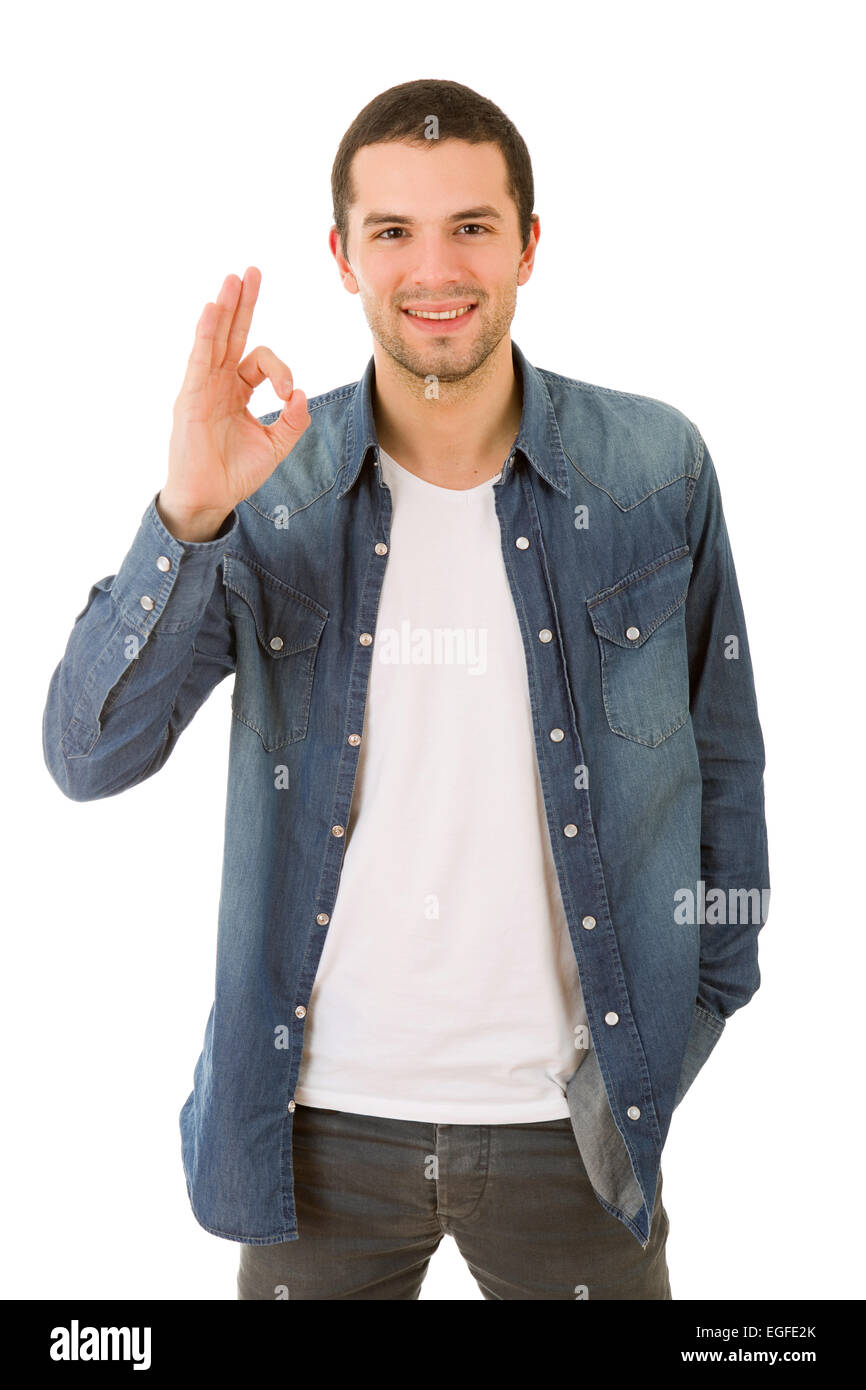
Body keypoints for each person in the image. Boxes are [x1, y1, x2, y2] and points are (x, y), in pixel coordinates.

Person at [42, 78, 770, 1301]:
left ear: (529, 243)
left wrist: (691, 1007)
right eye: (392, 231)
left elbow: (727, 770)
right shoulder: (266, 484)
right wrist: (188, 514)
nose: (434, 268)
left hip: (576, 1135)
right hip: (314, 1130)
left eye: (471, 226)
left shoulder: (653, 469)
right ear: (342, 256)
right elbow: (86, 754)